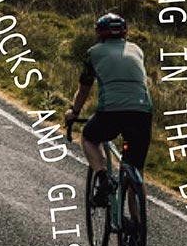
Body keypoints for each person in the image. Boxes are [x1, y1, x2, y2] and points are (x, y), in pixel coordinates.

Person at [64, 12, 153, 205]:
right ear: (124, 33)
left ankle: (103, 177)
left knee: (89, 137)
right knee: (135, 170)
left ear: (99, 34)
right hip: (142, 111)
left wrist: (74, 112)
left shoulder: (94, 53)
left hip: (111, 111)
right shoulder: (137, 49)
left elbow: (84, 89)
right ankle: (137, 227)